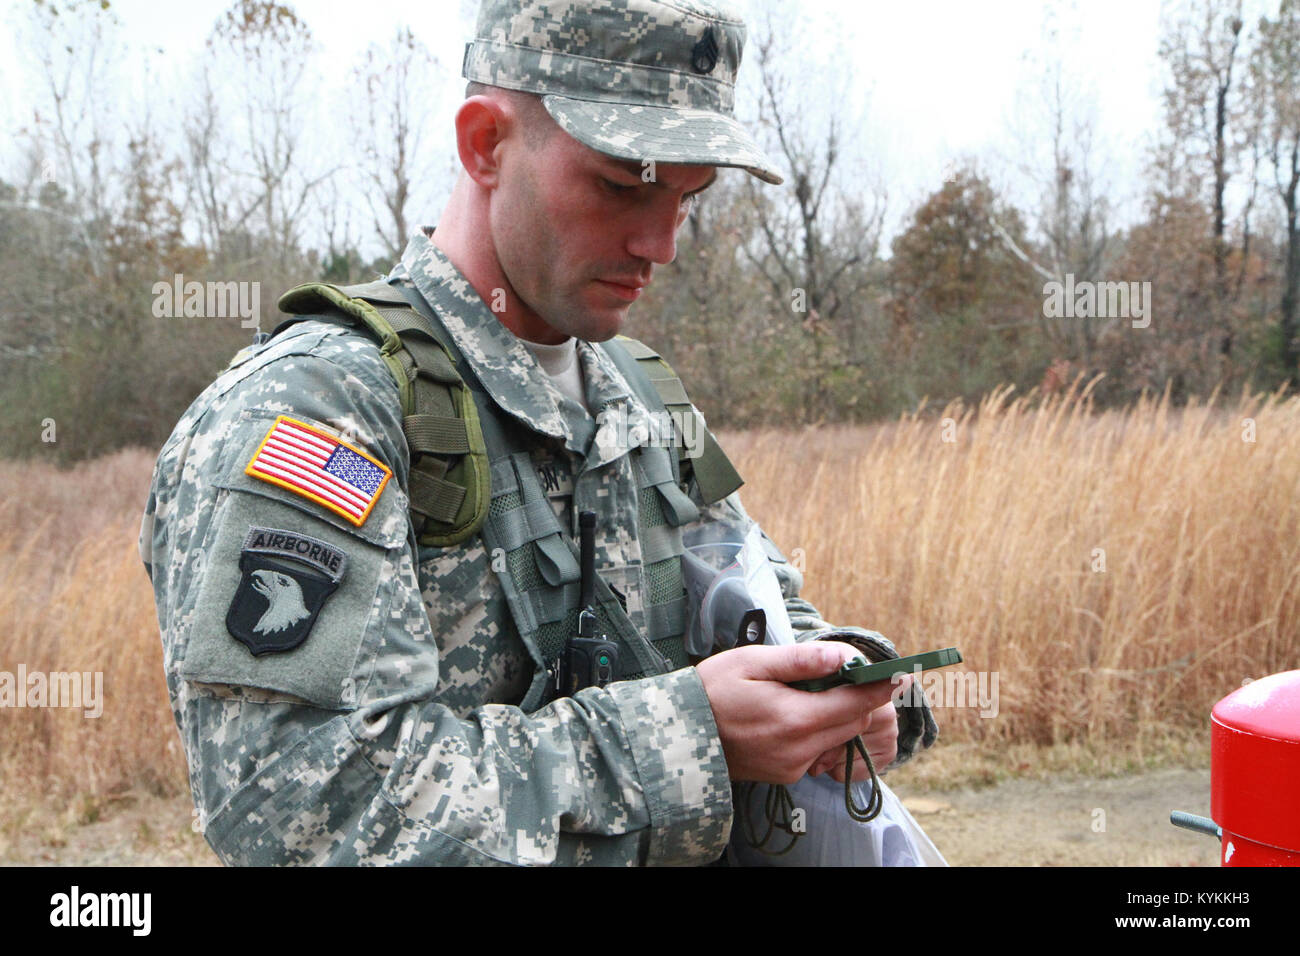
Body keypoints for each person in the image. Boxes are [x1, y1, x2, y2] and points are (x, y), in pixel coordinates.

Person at [139, 0, 935, 866]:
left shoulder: (639, 391)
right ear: (486, 143)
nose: (661, 243)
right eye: (625, 186)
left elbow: (760, 602)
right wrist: (692, 738)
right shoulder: (320, 409)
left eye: (687, 197)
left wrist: (838, 693)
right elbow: (303, 810)